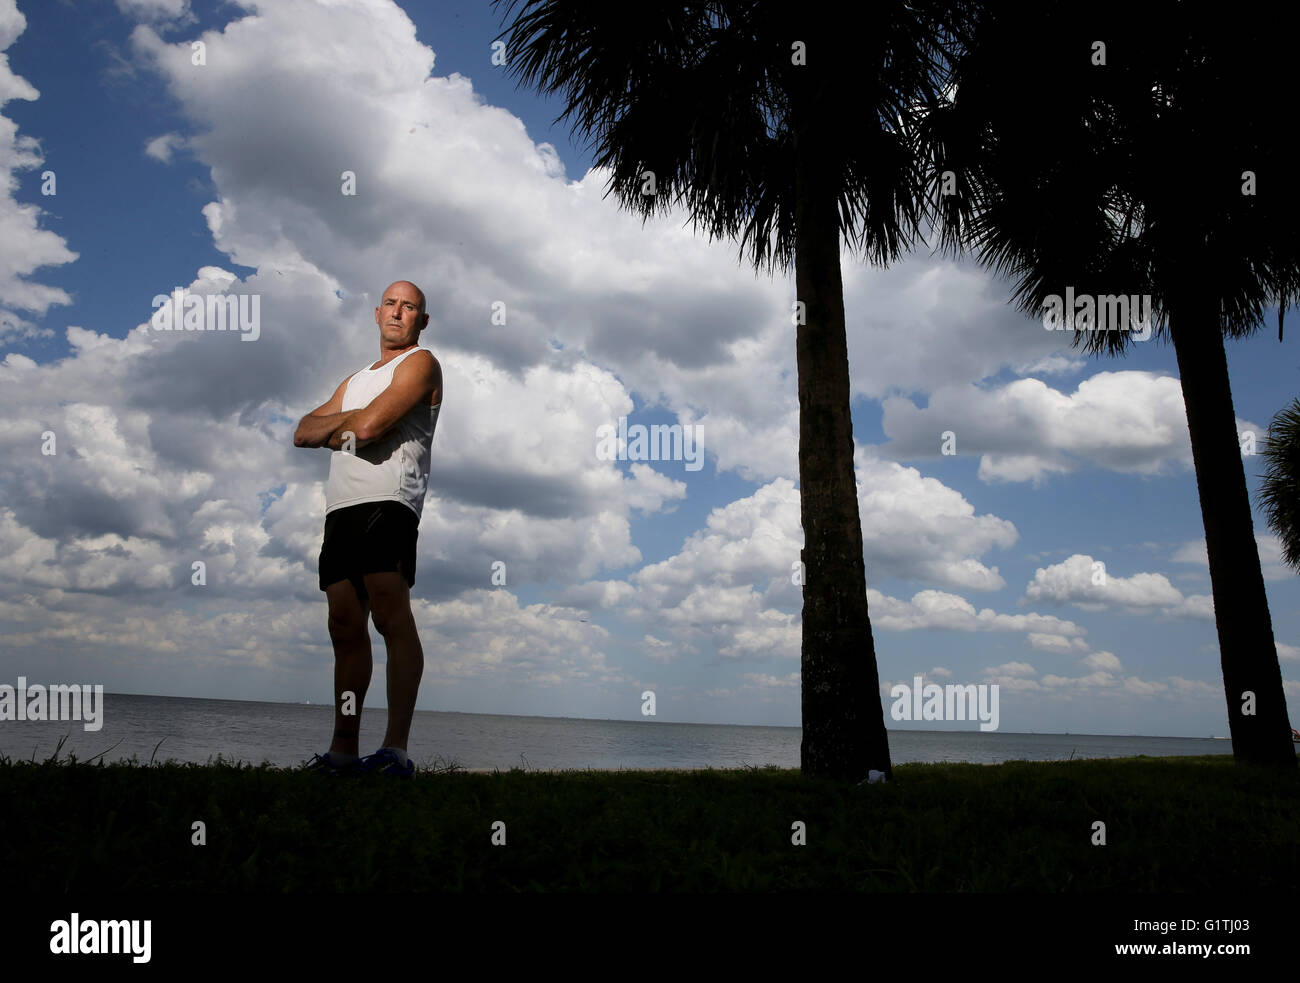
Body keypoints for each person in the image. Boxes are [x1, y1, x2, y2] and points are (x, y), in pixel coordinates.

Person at [292, 280, 442, 777]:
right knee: (343, 625)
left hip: (390, 500)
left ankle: (395, 752)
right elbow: (302, 431)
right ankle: (342, 752)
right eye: (392, 305)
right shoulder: (356, 378)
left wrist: (341, 428)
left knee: (389, 614)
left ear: (423, 320)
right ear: (377, 313)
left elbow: (369, 430)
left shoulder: (420, 364)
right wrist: (352, 422)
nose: (399, 313)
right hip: (342, 508)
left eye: (411, 307)